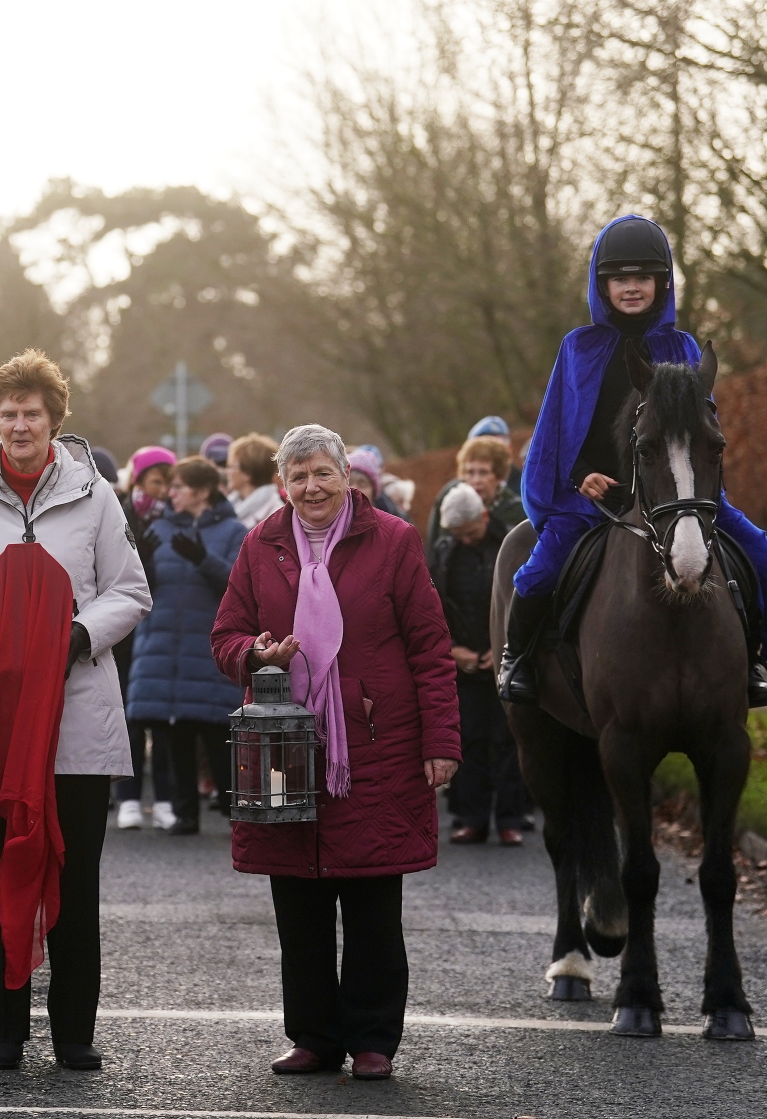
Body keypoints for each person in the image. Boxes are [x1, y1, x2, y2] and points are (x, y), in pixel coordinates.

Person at [0, 350, 151, 1072]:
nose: (20, 425)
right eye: (8, 414)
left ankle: (74, 1032)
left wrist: (81, 634)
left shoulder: (95, 495)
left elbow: (130, 590)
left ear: (55, 419)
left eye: (33, 412)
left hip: (76, 717)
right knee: (4, 875)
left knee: (75, 881)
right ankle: (5, 1031)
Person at [210, 424, 459, 1081]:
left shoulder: (395, 541)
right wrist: (256, 653)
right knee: (298, 901)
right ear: (282, 485)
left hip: (377, 746)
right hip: (284, 746)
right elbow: (226, 634)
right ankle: (314, 1037)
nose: (312, 486)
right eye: (299, 476)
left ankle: (374, 1039)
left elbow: (431, 647)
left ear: (347, 477)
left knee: (374, 901)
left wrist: (441, 741)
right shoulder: (259, 544)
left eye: (323, 472)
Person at [498, 214, 767, 708]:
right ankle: (516, 658)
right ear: (602, 285)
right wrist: (579, 475)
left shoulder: (683, 347)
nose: (631, 287)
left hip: (675, 495)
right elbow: (559, 430)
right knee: (539, 571)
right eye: (619, 278)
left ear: (662, 283)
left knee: (763, 555)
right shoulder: (578, 349)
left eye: (643, 277)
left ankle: (755, 661)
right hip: (597, 499)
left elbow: (701, 433)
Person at [127, 456, 246, 835]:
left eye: (178, 486)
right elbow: (140, 589)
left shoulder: (233, 531)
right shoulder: (159, 529)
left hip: (208, 644)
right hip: (165, 645)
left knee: (216, 730)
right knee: (173, 729)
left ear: (203, 491)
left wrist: (204, 559)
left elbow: (239, 585)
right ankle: (185, 812)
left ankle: (234, 807)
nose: (170, 493)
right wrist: (142, 562)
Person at [427, 484, 528, 845]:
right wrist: (452, 650)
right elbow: (431, 610)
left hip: (505, 660)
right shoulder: (442, 555)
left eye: (470, 533)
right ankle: (471, 818)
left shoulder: (512, 546)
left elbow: (525, 600)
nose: (465, 540)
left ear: (484, 517)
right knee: (467, 740)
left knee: (508, 740)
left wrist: (502, 648)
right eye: (458, 535)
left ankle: (510, 819)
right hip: (463, 664)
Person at [115, 443, 178, 830]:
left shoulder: (176, 520)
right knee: (129, 715)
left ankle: (167, 798)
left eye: (170, 483)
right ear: (139, 480)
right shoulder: (118, 515)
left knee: (163, 717)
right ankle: (128, 797)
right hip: (124, 632)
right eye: (157, 482)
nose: (164, 491)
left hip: (162, 630)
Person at [426, 436, 527, 548]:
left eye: (483, 472)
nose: (476, 480)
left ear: (499, 476)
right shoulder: (449, 502)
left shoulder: (517, 511)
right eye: (470, 472)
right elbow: (435, 547)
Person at [226, 432, 282, 531]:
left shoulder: (276, 516)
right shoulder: (229, 506)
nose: (227, 472)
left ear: (247, 474)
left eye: (232, 467)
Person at [346, 448, 406, 519]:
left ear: (374, 491)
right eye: (349, 482)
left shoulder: (391, 520)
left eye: (362, 484)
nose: (354, 489)